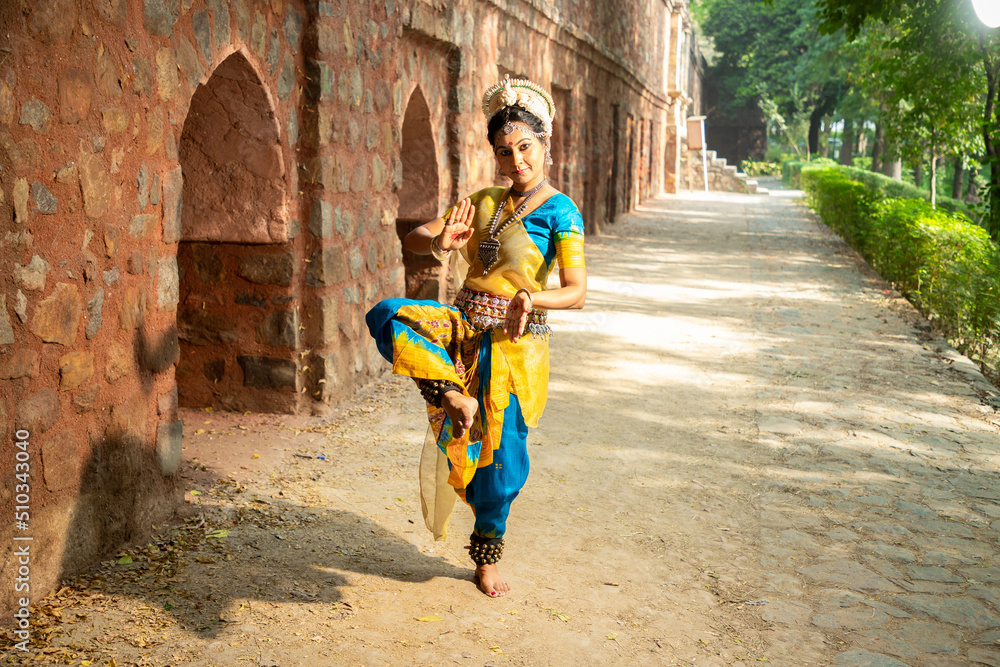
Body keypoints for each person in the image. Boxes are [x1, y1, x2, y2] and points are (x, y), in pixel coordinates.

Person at [366, 75, 587, 597]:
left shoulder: (561, 212)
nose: (517, 163)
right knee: (388, 315)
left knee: (500, 461)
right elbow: (416, 238)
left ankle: (486, 557)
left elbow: (576, 291)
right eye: (504, 153)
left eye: (525, 148)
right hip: (462, 327)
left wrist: (531, 297)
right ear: (495, 155)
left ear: (544, 144)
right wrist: (439, 239)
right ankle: (451, 394)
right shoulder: (483, 199)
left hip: (514, 348)